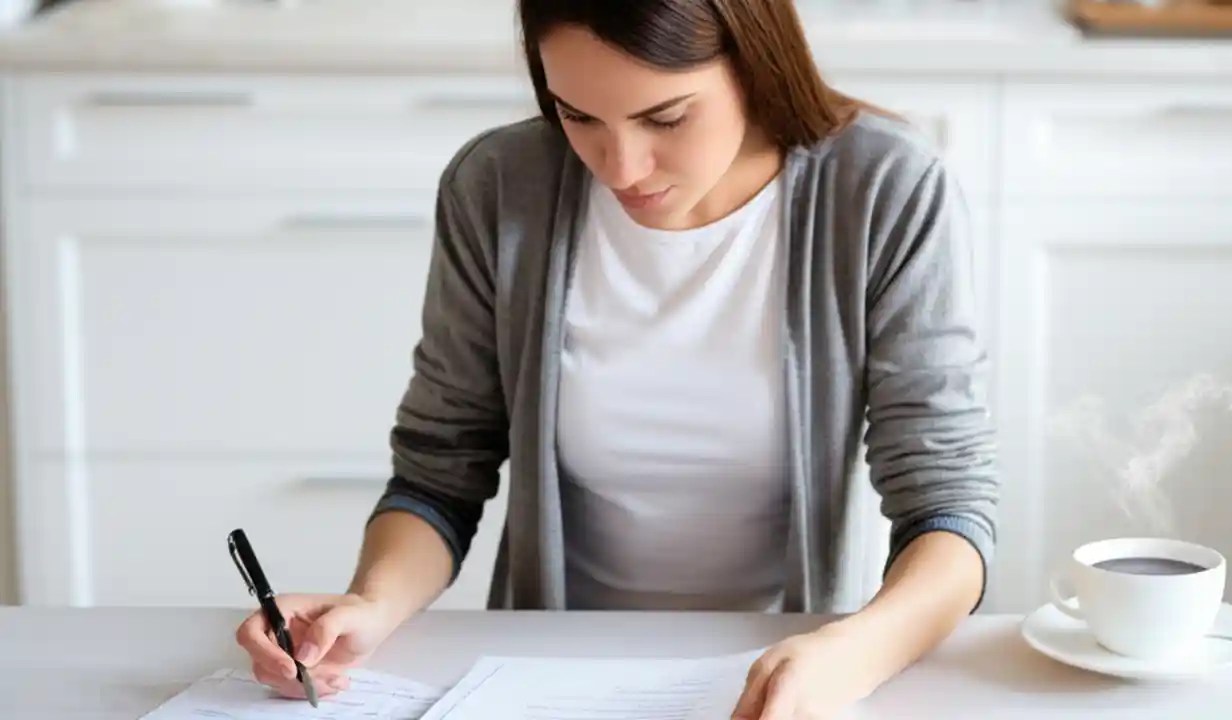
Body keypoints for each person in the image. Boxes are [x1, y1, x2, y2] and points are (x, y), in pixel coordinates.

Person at [235, 0, 1000, 717]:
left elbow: (947, 503)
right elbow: (440, 469)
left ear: (755, 62)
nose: (621, 166)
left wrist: (857, 651)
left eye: (664, 117)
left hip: (789, 667)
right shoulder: (501, 187)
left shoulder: (884, 188)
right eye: (578, 115)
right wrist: (372, 604)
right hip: (551, 672)